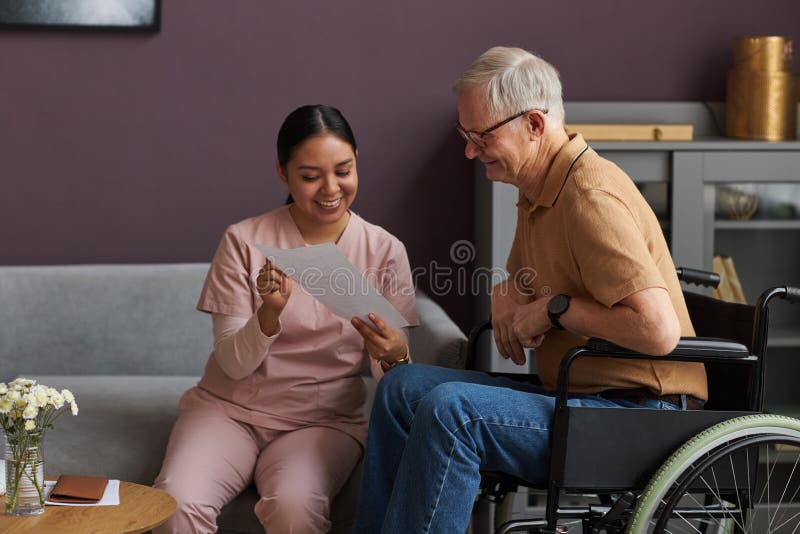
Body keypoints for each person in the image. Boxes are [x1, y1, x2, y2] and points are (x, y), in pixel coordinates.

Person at [352, 46, 707, 533]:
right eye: (466, 134)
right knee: (400, 388)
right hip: (577, 393)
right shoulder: (538, 189)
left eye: (482, 136)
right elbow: (526, 279)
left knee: (452, 412)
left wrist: (555, 311)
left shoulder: (590, 196)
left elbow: (659, 331)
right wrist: (508, 294)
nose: (469, 150)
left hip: (638, 411)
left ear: (535, 125)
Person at [153, 104, 419, 534]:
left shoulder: (384, 251)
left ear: (357, 162)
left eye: (344, 170)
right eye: (310, 176)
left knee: (294, 507)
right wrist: (268, 313)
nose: (330, 188)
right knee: (177, 502)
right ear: (283, 173)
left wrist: (395, 355)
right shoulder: (244, 240)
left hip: (323, 421)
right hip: (229, 411)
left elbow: (393, 379)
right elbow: (234, 364)